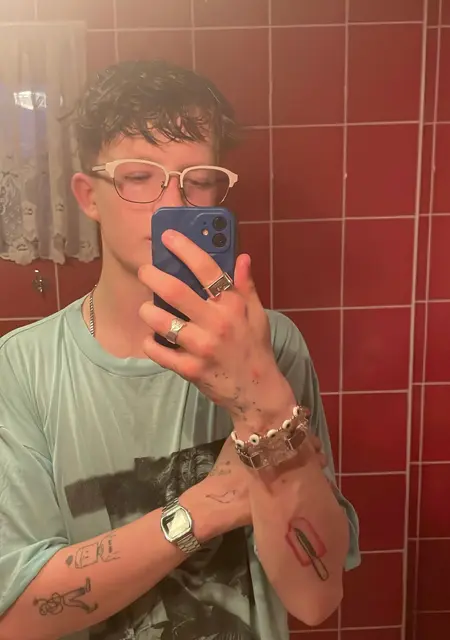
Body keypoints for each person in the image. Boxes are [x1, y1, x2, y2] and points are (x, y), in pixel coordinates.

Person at [0, 60, 360, 640]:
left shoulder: (271, 344)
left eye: (198, 178)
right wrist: (207, 507)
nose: (174, 202)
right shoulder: (19, 369)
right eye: (139, 176)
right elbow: (15, 618)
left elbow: (316, 599)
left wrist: (263, 401)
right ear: (89, 197)